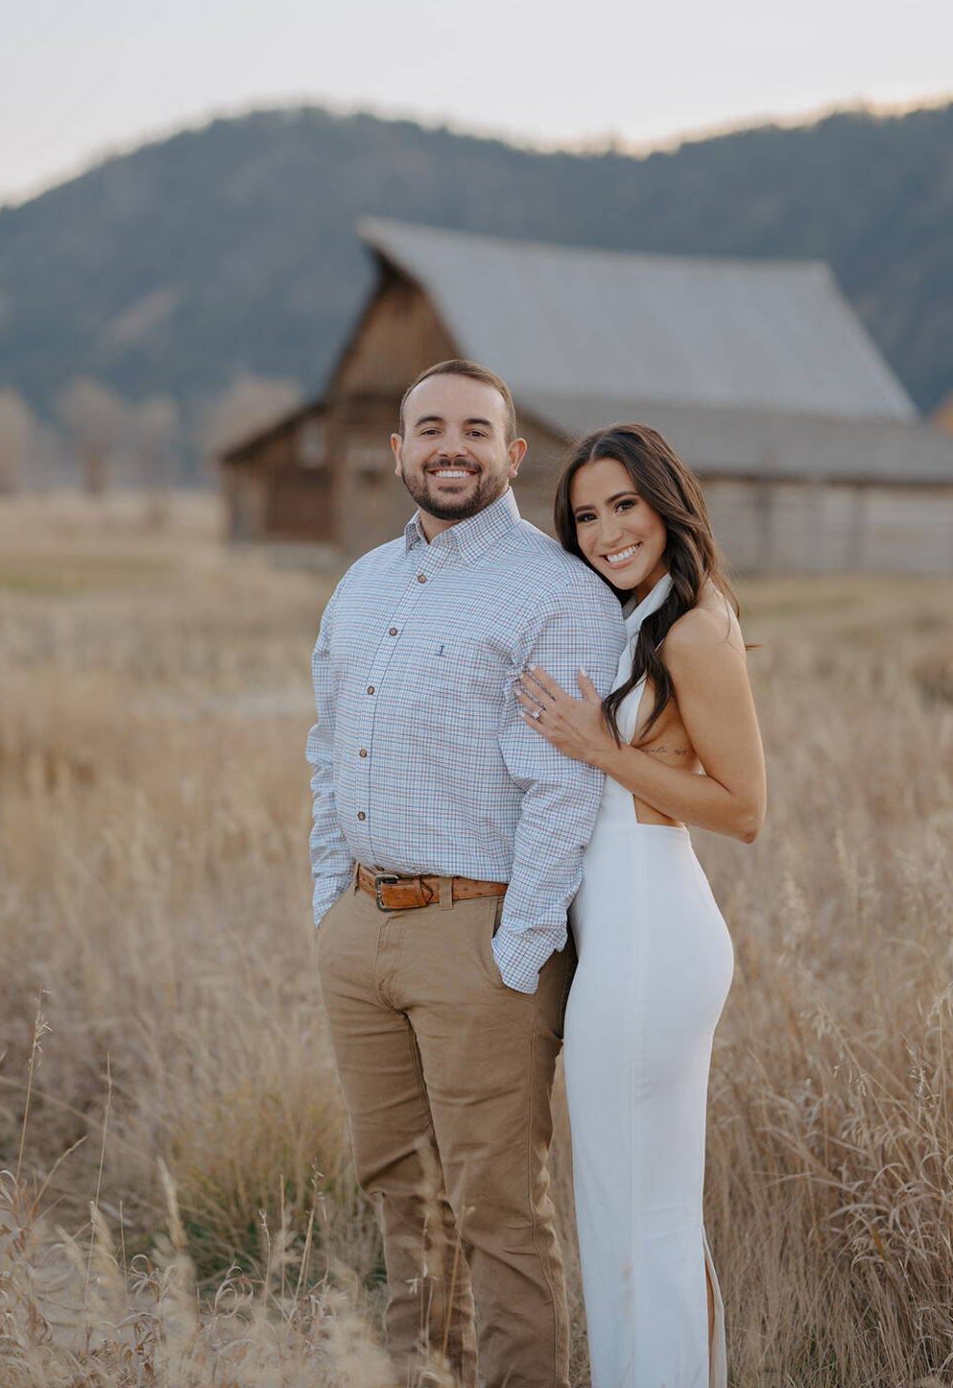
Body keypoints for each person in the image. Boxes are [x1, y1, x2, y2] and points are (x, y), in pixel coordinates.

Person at [307, 359, 624, 1388]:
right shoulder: (361, 584)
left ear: (510, 453)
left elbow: (563, 788)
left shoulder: (557, 592)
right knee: (398, 1188)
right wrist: (327, 900)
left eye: (475, 430)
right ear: (396, 451)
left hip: (476, 936)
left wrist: (518, 949)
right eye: (430, 428)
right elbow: (327, 745)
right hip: (360, 927)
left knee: (496, 1206)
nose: (451, 445)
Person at [516, 422, 766, 1388]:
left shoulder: (698, 626)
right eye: (585, 515)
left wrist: (599, 750)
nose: (607, 531)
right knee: (632, 1210)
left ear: (666, 502)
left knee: (641, 1216)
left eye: (624, 505)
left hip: (654, 940)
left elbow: (743, 810)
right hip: (623, 938)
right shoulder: (638, 620)